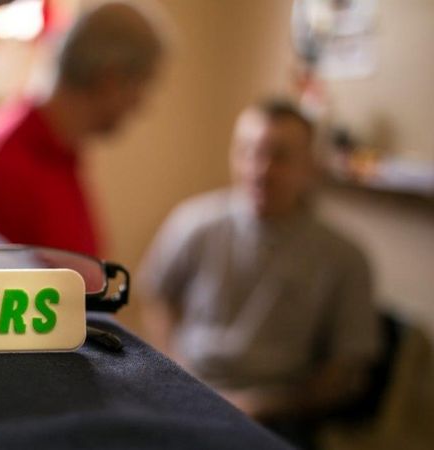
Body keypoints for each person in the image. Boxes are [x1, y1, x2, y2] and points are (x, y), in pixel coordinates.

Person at [138, 98, 381, 446]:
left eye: (279, 156)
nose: (259, 169)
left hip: (278, 415)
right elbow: (156, 294)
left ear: (309, 166)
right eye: (248, 151)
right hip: (186, 388)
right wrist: (176, 371)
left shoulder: (345, 257)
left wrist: (259, 405)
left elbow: (345, 370)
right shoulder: (193, 222)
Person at [0, 1, 166, 256]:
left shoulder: (60, 154)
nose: (141, 105)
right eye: (142, 86)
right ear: (111, 78)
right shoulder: (2, 172)